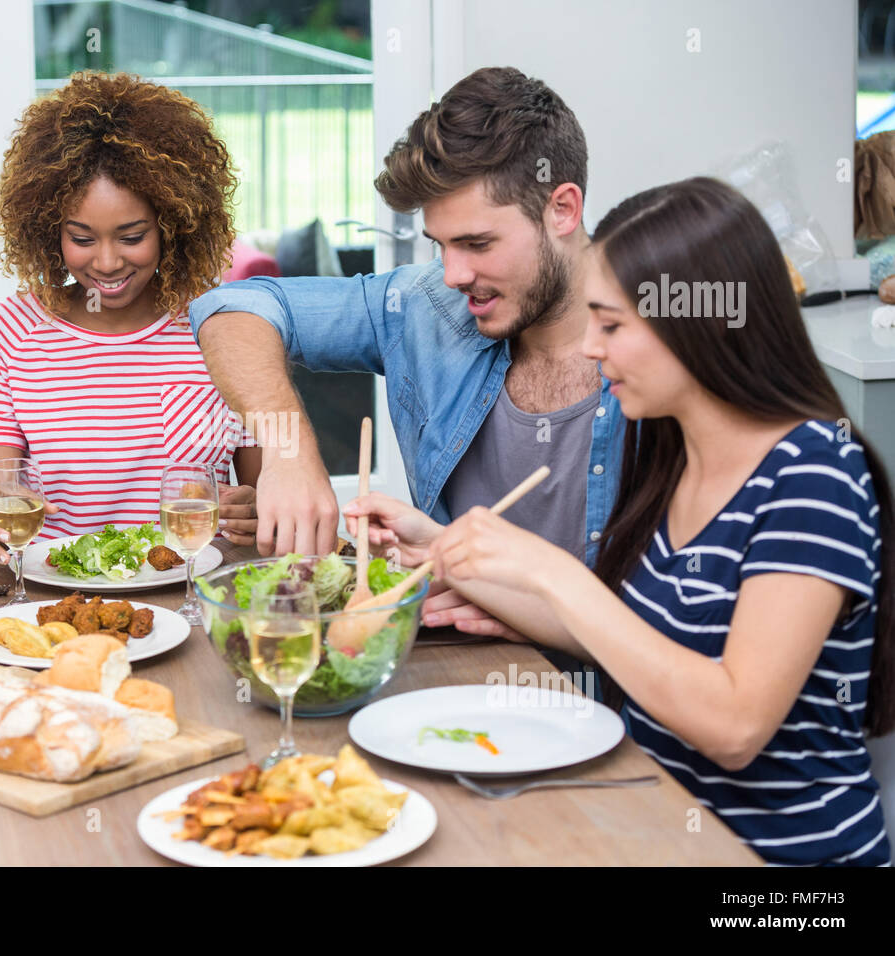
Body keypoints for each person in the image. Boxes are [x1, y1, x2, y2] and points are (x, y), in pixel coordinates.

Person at [353, 178, 892, 866]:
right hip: (655, 828)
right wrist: (440, 548)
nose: (588, 349)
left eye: (610, 325)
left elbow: (734, 726)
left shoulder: (813, 476)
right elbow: (622, 636)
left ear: (694, 322)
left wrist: (553, 572)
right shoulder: (672, 451)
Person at [188, 67, 626, 640]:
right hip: (456, 674)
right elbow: (232, 309)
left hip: (616, 705)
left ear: (563, 209)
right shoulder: (425, 305)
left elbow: (695, 624)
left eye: (477, 243)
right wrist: (288, 452)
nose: (453, 274)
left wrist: (545, 620)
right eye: (441, 245)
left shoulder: (668, 353)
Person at [0, 72, 260, 566]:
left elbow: (263, 495)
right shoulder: (8, 334)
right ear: (47, 230)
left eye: (131, 236)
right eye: (81, 239)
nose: (105, 262)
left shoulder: (224, 327)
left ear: (173, 225)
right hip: (56, 598)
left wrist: (254, 509)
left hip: (193, 592)